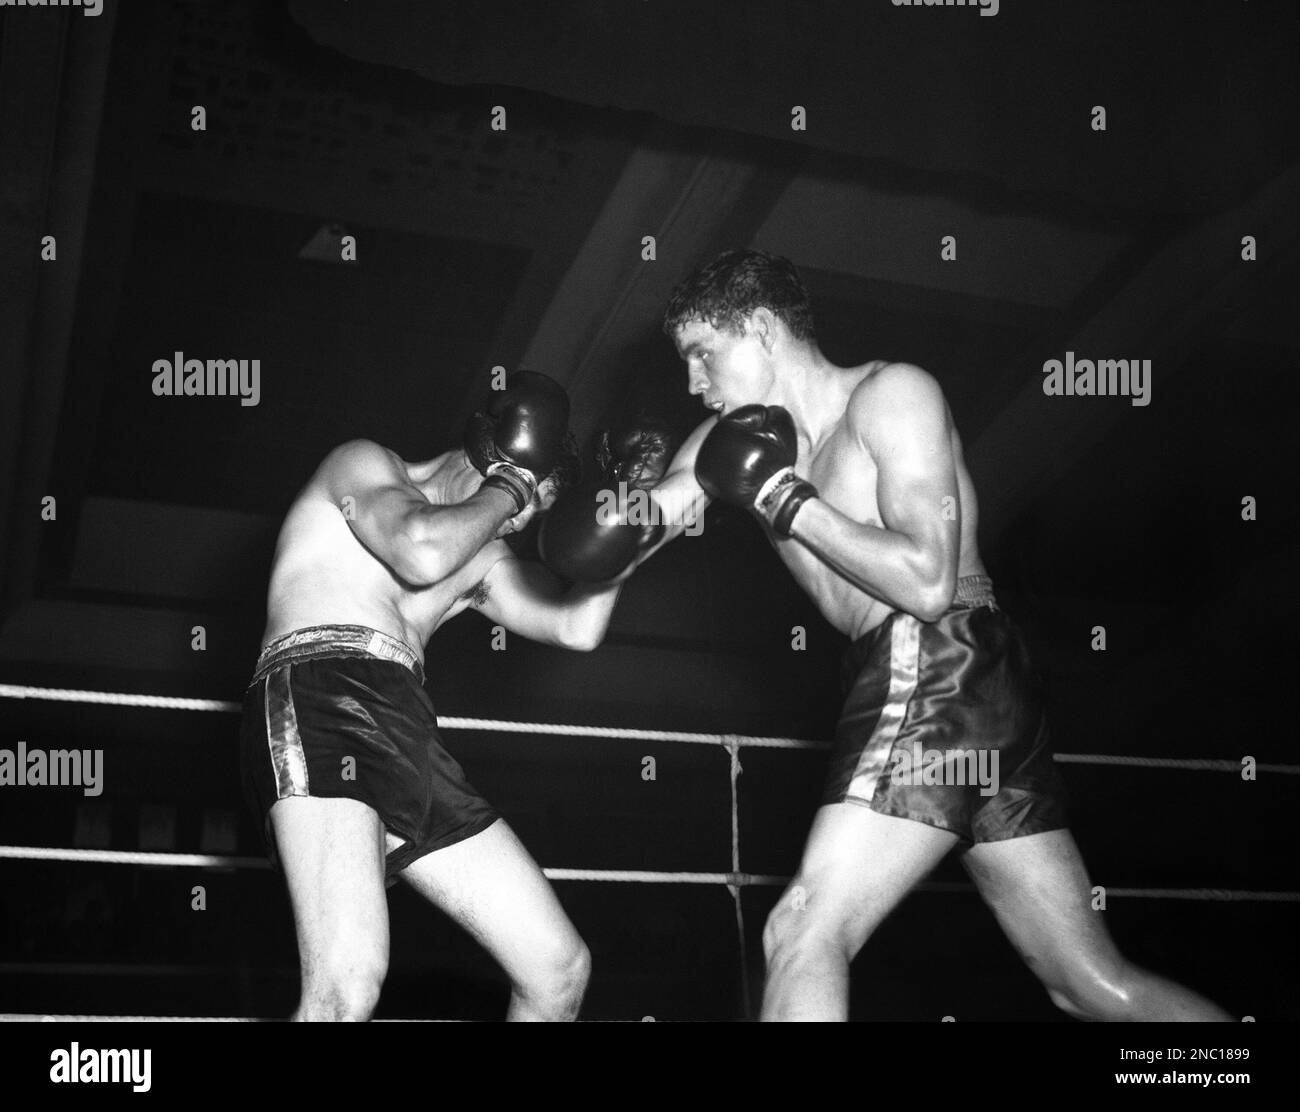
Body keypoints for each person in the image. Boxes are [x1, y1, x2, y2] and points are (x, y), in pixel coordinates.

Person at [639, 249, 1231, 1021]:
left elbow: (927, 580)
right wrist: (554, 496)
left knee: (803, 929)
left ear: (759, 329)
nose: (694, 384)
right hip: (959, 690)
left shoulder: (890, 395)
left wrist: (785, 494)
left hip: (937, 654)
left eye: (702, 356)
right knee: (1090, 986)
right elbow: (630, 536)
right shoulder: (719, 446)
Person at [240, 370, 635, 1021]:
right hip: (318, 691)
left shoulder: (481, 551)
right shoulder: (363, 464)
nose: (515, 522)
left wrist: (630, 522)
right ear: (488, 460)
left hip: (405, 724)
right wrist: (513, 485)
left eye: (530, 511)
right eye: (521, 500)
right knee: (346, 986)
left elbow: (574, 625)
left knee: (558, 969)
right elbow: (418, 552)